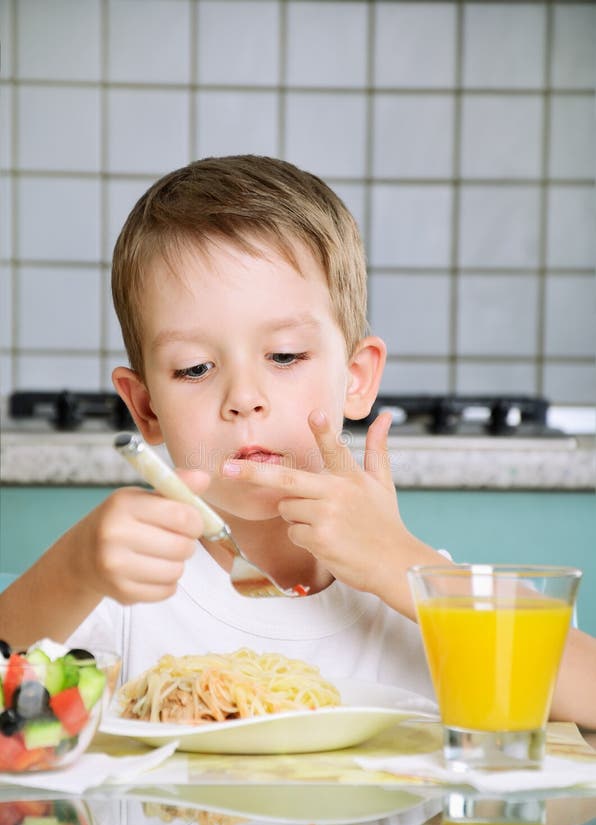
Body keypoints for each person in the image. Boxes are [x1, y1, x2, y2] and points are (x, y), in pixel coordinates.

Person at [1, 155, 595, 725]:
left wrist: (401, 565)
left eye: (284, 356)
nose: (244, 396)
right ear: (146, 407)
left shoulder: (424, 596)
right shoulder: (122, 593)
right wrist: (73, 571)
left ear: (356, 379)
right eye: (194, 368)